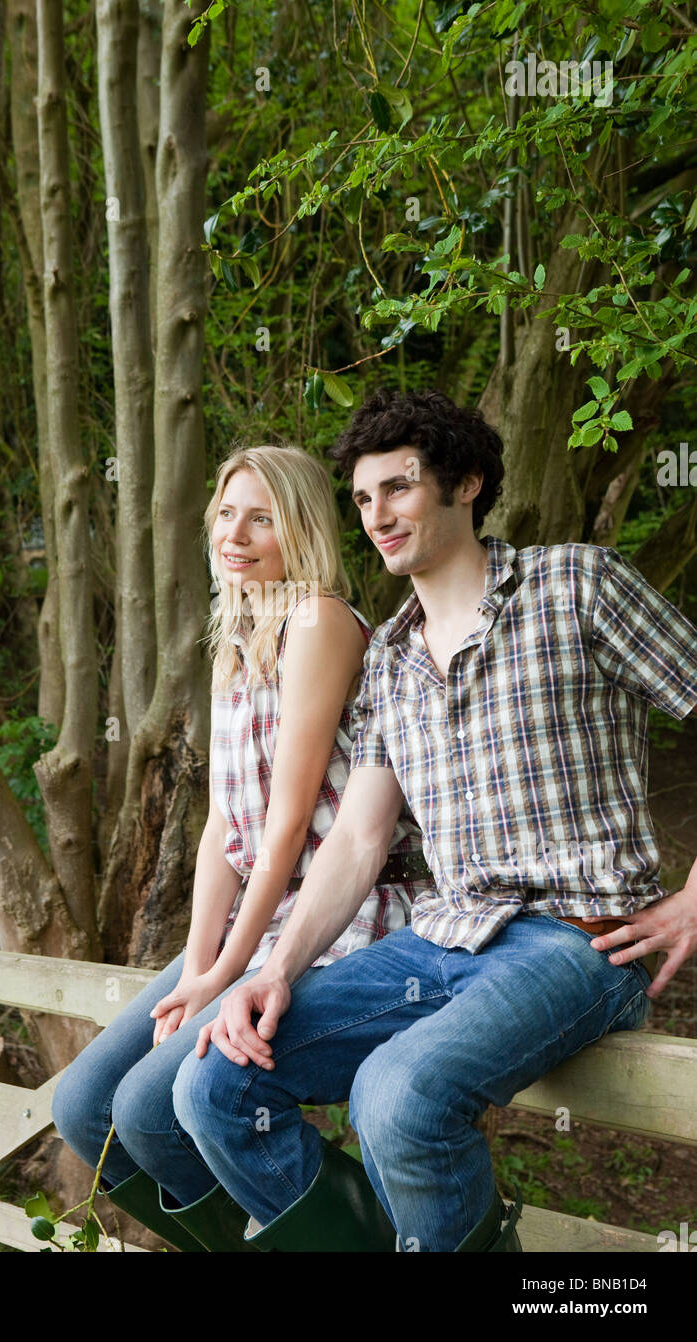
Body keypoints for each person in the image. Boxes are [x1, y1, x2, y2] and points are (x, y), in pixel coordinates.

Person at [172, 387, 697, 1253]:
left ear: (468, 485)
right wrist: (276, 969)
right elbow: (357, 839)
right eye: (364, 498)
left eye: (400, 488)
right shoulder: (388, 656)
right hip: (443, 938)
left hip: (578, 940)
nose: (377, 515)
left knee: (398, 1092)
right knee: (214, 1085)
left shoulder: (579, 587)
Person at [51, 443, 430, 1252]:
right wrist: (198, 966)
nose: (237, 532)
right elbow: (228, 829)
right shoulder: (236, 640)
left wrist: (226, 976)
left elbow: (290, 825)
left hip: (337, 916)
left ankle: (367, 1244)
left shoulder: (318, 622)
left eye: (262, 517)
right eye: (226, 513)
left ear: (301, 529)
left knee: (154, 1108)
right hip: (254, 918)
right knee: (84, 1108)